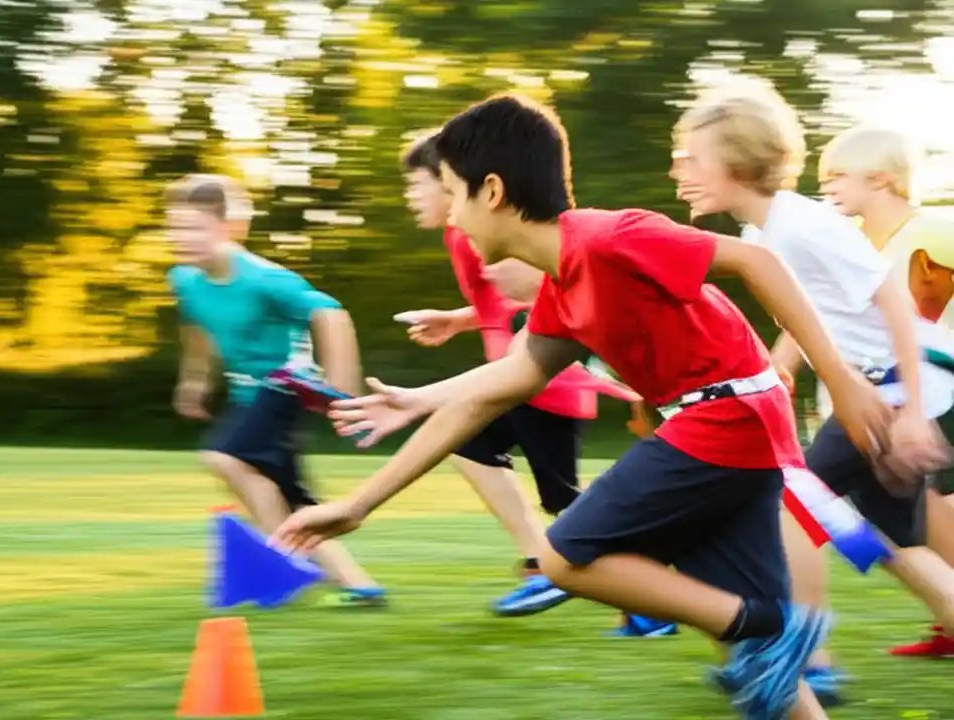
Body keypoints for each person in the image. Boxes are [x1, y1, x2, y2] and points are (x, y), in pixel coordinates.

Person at [274, 92, 895, 720]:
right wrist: (368, 486)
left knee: (565, 558)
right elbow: (503, 384)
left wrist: (838, 378)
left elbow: (756, 260)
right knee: (771, 676)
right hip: (734, 426)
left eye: (456, 196)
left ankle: (764, 621)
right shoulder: (563, 289)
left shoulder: (610, 238)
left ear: (492, 191)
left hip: (725, 416)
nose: (454, 221)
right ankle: (765, 634)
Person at [671, 80, 954, 670]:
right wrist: (778, 368)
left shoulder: (805, 226)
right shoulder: (762, 232)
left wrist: (911, 414)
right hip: (886, 388)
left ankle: (810, 662)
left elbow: (897, 305)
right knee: (890, 537)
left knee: (791, 499)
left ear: (740, 162)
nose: (680, 169)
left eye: (693, 158)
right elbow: (811, 315)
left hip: (899, 388)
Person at [397, 132, 671, 632]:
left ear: (452, 184)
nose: (410, 196)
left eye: (418, 184)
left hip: (542, 383)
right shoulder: (462, 237)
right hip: (518, 380)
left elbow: (548, 286)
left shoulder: (480, 232)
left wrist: (519, 367)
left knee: (568, 504)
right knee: (470, 448)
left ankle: (646, 597)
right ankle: (541, 561)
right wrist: (458, 320)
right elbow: (509, 298)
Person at [165, 173, 386, 608]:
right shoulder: (185, 281)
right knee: (286, 496)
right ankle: (360, 587)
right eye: (174, 227)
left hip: (286, 386)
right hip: (249, 397)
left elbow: (332, 315)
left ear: (230, 228)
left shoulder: (265, 279)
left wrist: (342, 391)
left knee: (224, 457)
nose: (182, 238)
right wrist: (195, 380)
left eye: (194, 228)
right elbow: (195, 327)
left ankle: (282, 561)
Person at [818, 123, 954, 656]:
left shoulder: (934, 230)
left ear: (879, 180)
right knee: (915, 516)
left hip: (935, 391)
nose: (825, 187)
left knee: (930, 511)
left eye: (836, 177)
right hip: (903, 394)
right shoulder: (857, 246)